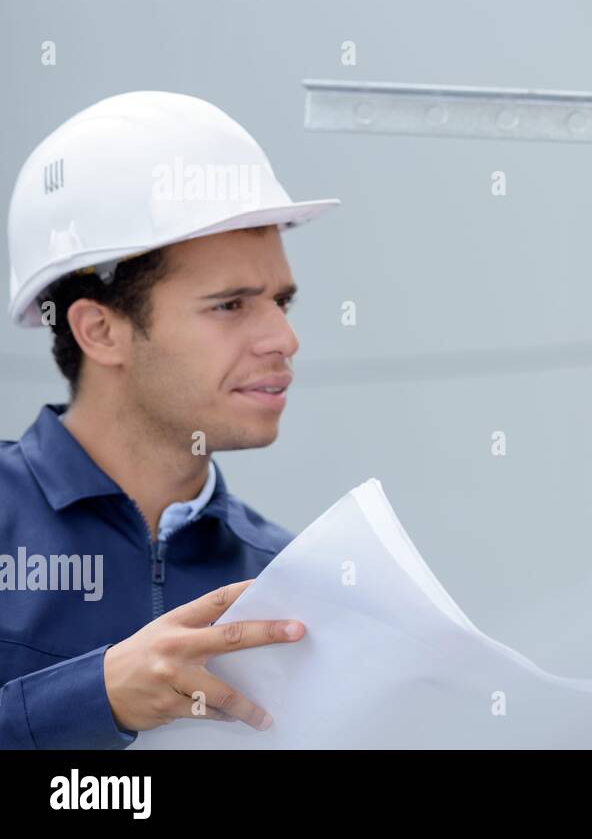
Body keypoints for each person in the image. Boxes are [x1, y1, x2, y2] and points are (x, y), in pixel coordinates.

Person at [0, 91, 339, 748]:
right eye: (230, 305)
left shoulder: (292, 580)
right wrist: (92, 698)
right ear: (100, 330)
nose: (283, 339)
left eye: (281, 302)